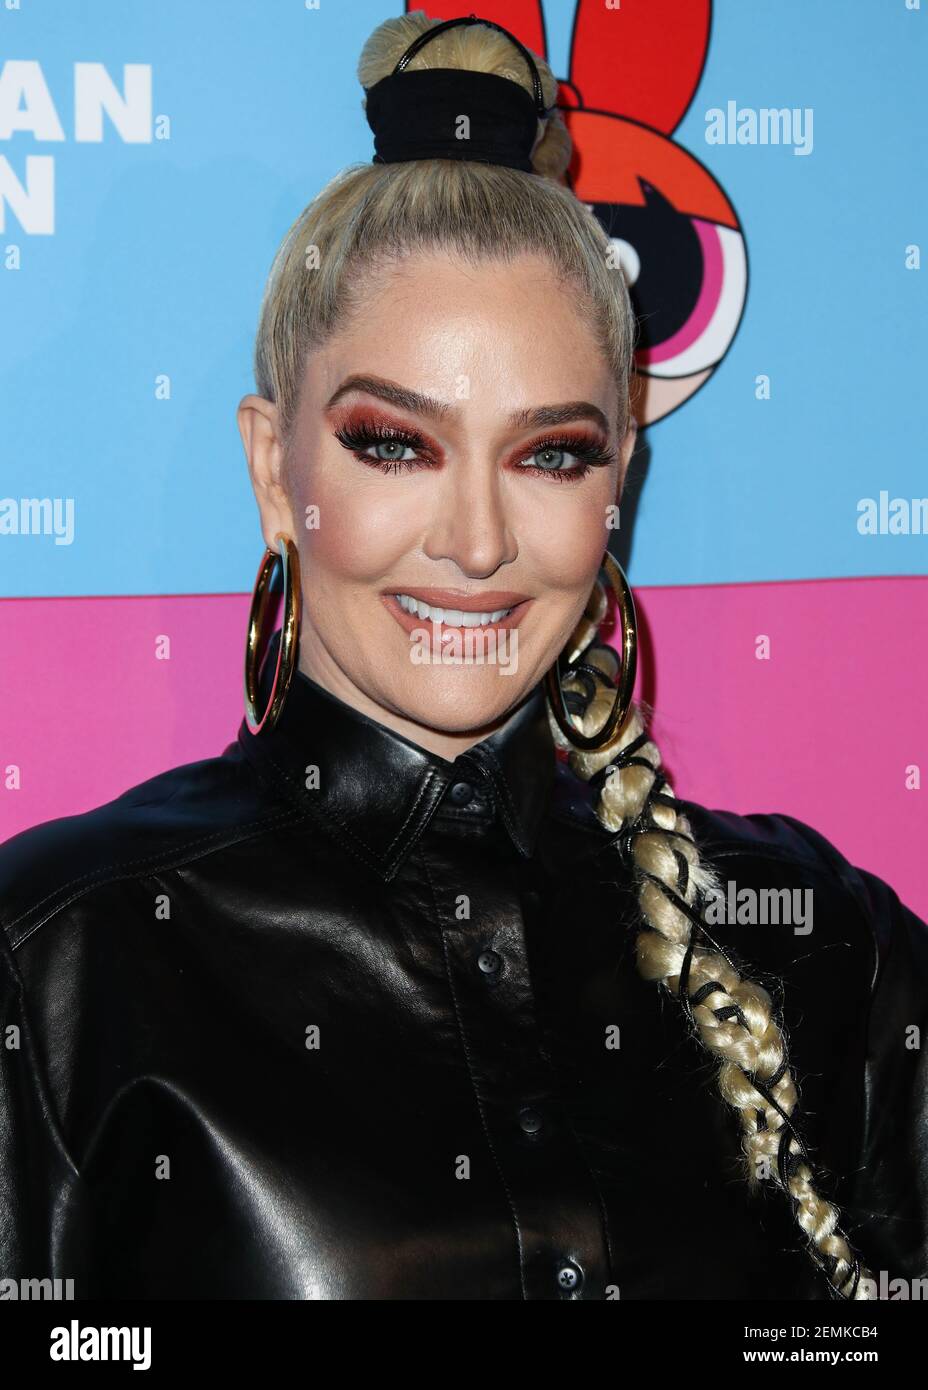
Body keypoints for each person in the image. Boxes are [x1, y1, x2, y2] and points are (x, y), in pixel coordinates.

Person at [1, 10, 925, 1302]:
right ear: (276, 469)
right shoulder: (57, 961)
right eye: (396, 443)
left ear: (620, 485)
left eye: (552, 453)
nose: (479, 540)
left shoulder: (829, 943)